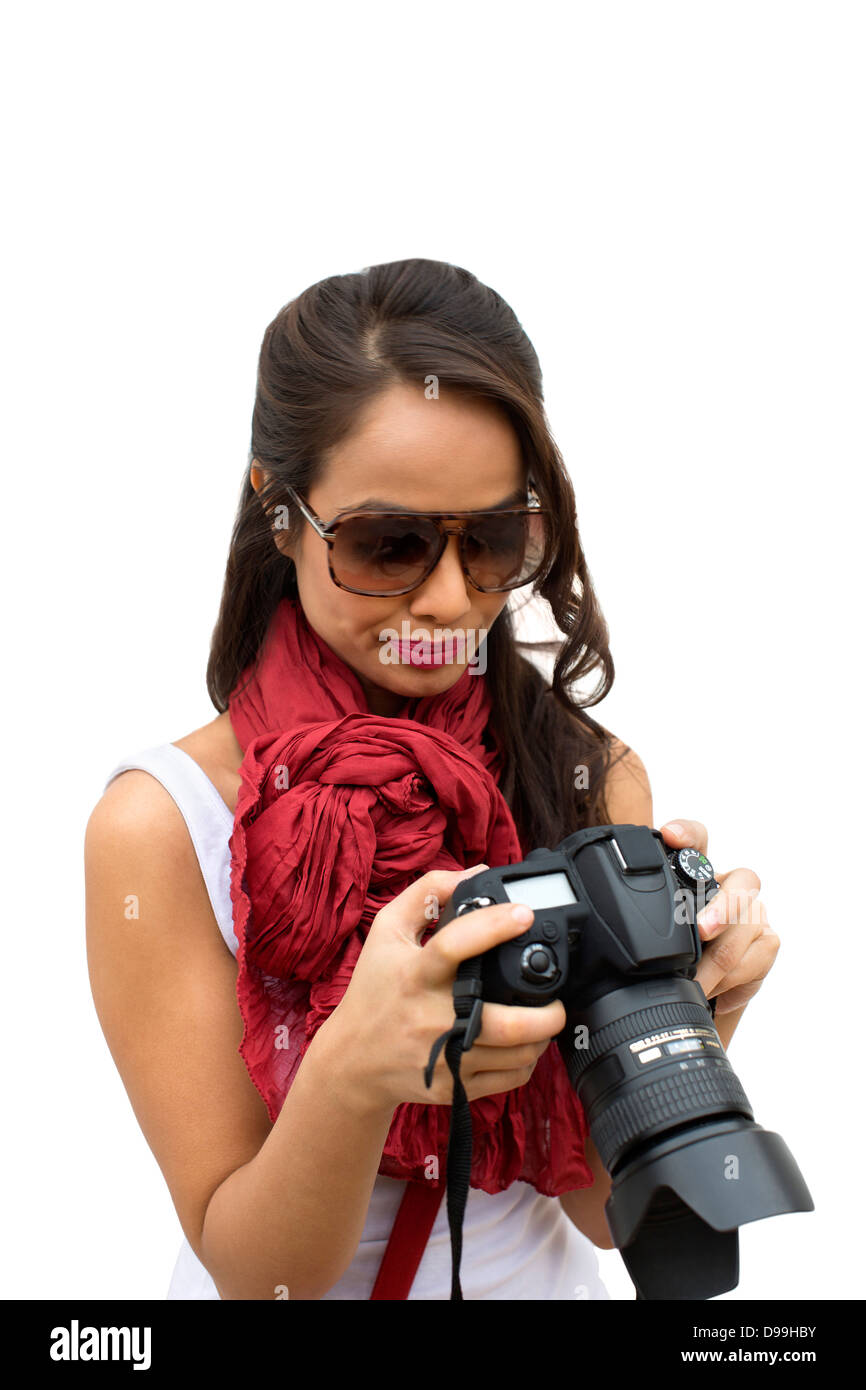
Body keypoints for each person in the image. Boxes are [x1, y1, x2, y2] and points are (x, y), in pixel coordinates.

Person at [84, 258, 779, 1301]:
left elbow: (599, 1214)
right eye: (387, 542)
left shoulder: (586, 777)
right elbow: (258, 1275)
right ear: (279, 512)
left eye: (494, 539)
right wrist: (354, 1072)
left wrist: (697, 1018)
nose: (450, 600)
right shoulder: (160, 826)